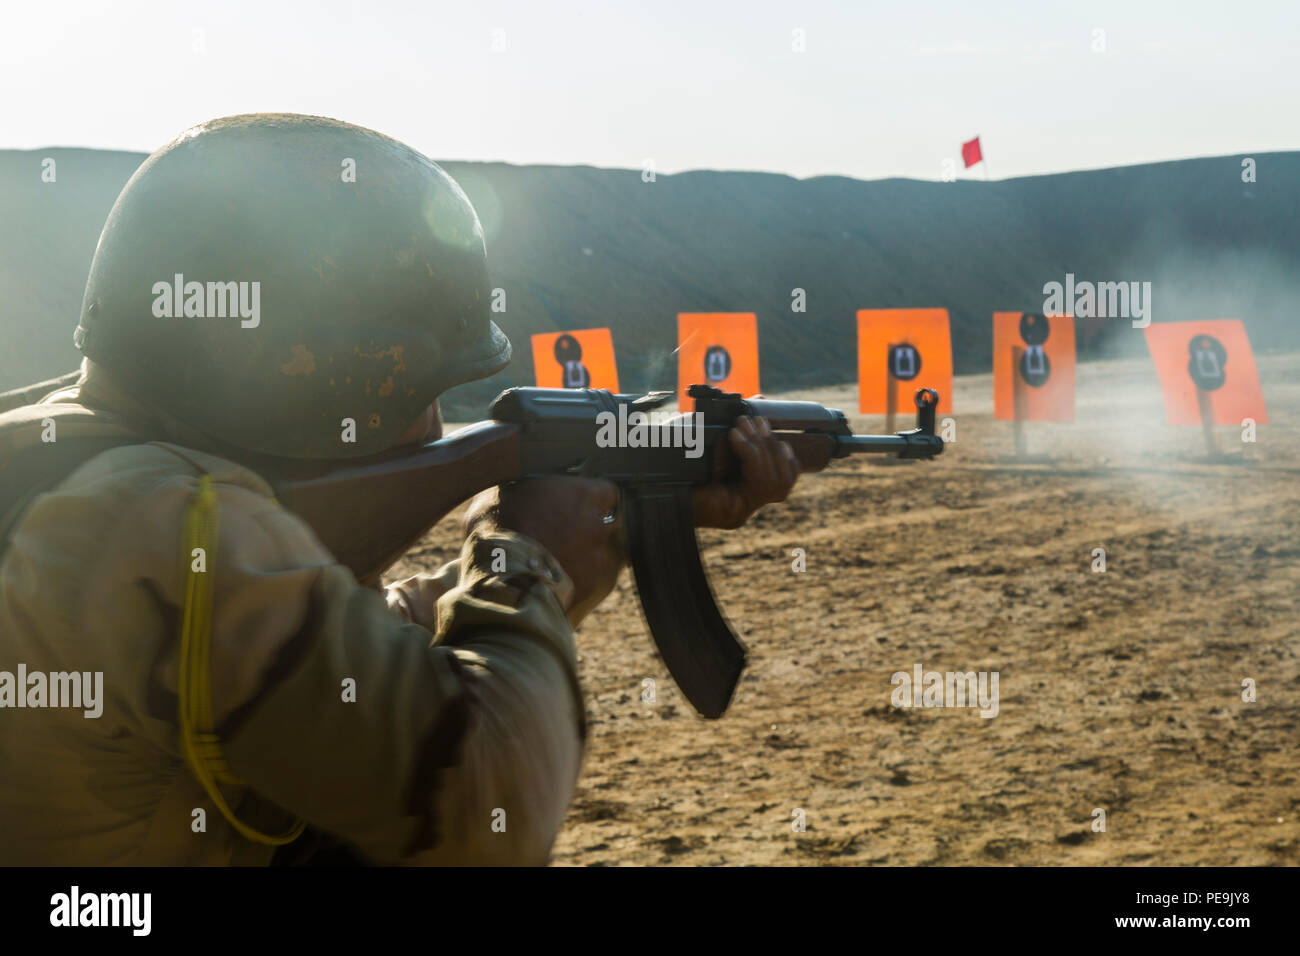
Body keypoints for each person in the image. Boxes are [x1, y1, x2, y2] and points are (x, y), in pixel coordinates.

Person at [0, 114, 800, 865]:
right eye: (418, 391)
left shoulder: (73, 459)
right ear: (309, 382)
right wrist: (527, 565)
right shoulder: (175, 523)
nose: (429, 428)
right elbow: (485, 807)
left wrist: (586, 532)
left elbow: (320, 651)